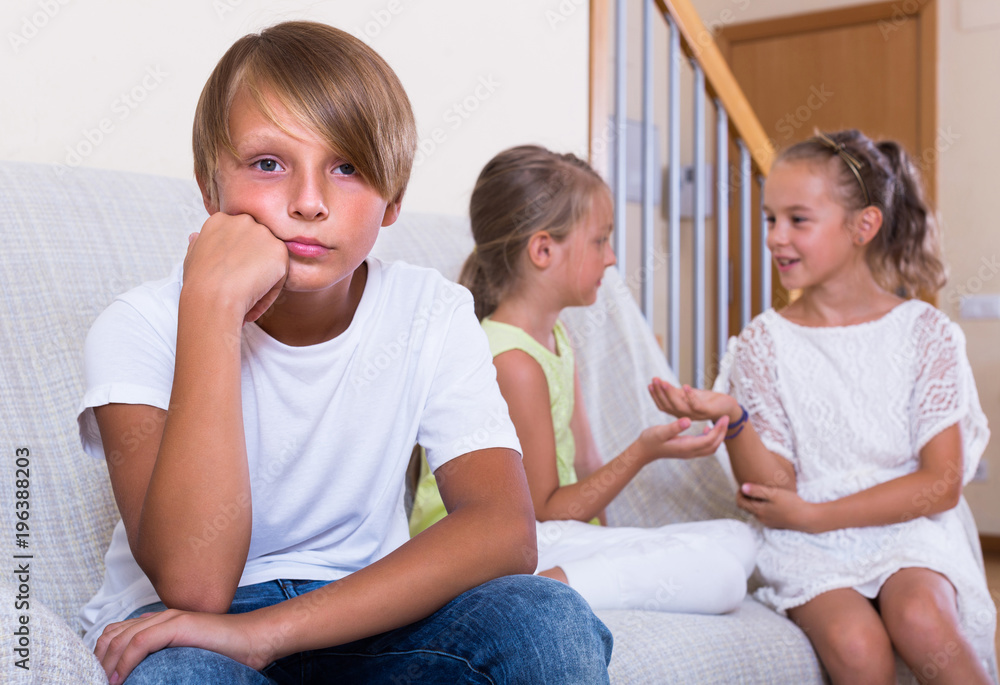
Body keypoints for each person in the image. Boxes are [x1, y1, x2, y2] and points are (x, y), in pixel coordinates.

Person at [76, 22, 612, 685]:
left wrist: (264, 634)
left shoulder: (431, 311)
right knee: (176, 675)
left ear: (394, 197)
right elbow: (196, 587)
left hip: (364, 617)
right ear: (210, 187)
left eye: (347, 167)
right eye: (268, 164)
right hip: (192, 632)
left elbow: (504, 530)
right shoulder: (138, 326)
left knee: (547, 617)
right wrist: (212, 308)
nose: (308, 203)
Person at [650, 130, 995, 684]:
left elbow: (940, 485)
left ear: (864, 226)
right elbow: (775, 488)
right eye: (770, 219)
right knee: (857, 646)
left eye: (798, 220)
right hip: (807, 546)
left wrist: (816, 514)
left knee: (921, 616)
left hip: (906, 527)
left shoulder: (925, 333)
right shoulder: (763, 343)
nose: (775, 237)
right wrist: (735, 419)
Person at [410, 145, 757, 614]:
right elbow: (544, 510)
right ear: (543, 250)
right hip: (498, 547)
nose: (611, 258)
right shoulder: (512, 361)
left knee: (739, 539)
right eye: (600, 241)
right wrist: (642, 452)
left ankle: (562, 581)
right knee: (724, 577)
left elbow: (588, 465)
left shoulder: (557, 336)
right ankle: (519, 598)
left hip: (551, 534)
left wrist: (611, 545)